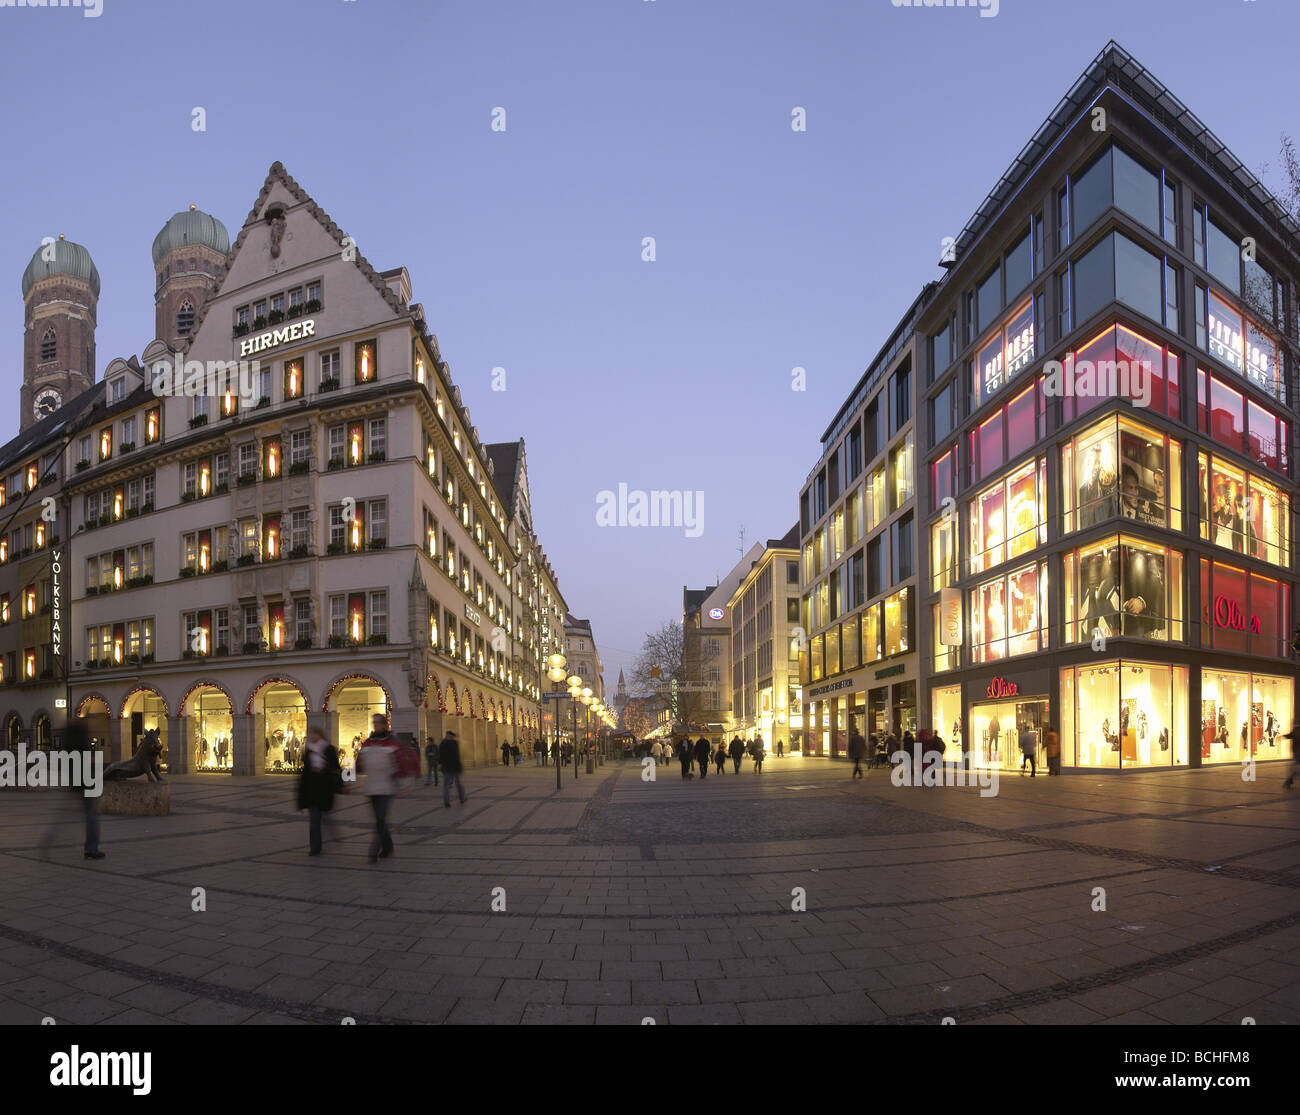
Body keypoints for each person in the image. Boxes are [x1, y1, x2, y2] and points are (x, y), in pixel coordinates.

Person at [357, 714, 402, 863]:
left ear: (384, 725)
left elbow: (401, 762)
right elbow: (357, 763)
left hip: (387, 787)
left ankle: (373, 850)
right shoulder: (368, 743)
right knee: (380, 820)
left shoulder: (392, 742)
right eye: (373, 723)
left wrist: (406, 782)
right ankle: (388, 846)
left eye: (377, 723)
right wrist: (347, 781)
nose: (375, 725)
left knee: (380, 819)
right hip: (371, 787)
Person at [298, 726, 342, 855]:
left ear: (319, 735)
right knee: (314, 821)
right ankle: (315, 848)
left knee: (325, 817)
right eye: (310, 734)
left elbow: (336, 768)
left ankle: (333, 834)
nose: (311, 736)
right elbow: (304, 773)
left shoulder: (329, 749)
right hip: (312, 790)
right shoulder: (309, 750)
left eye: (313, 734)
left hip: (325, 789)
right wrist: (301, 793)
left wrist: (342, 785)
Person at [441, 729, 467, 807]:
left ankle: (447, 801)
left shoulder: (443, 743)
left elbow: (440, 755)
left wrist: (441, 764)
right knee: (458, 783)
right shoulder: (454, 743)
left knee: (446, 785)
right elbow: (456, 756)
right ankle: (462, 798)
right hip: (454, 767)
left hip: (446, 767)